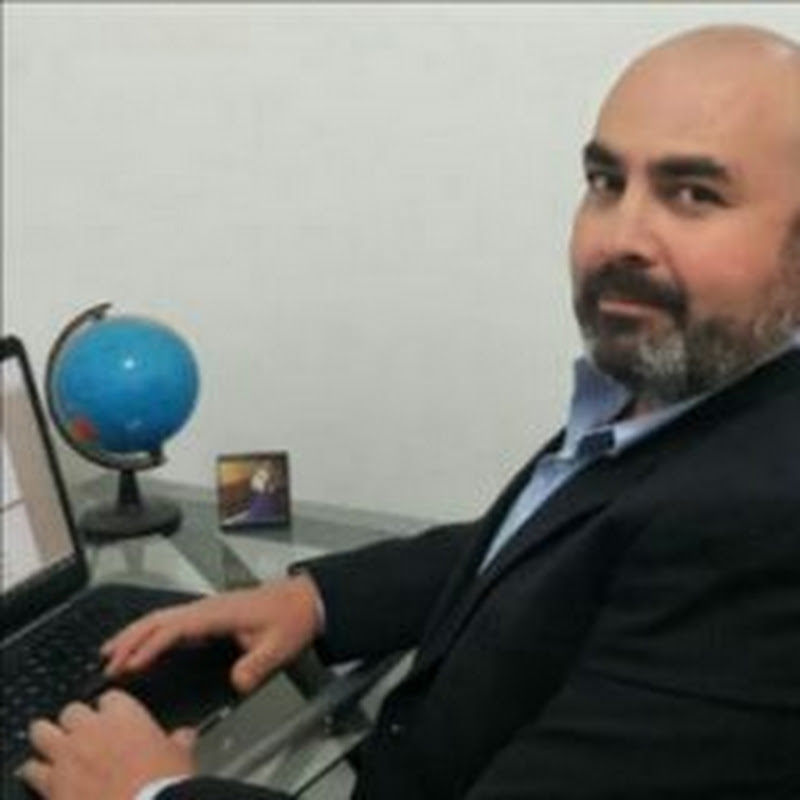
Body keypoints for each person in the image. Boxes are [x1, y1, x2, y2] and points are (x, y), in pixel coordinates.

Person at [20, 23, 800, 800]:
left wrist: (148, 794)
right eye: (605, 181)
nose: (620, 237)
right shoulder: (696, 392)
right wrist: (316, 601)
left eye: (693, 195)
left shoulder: (765, 520)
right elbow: (549, 551)